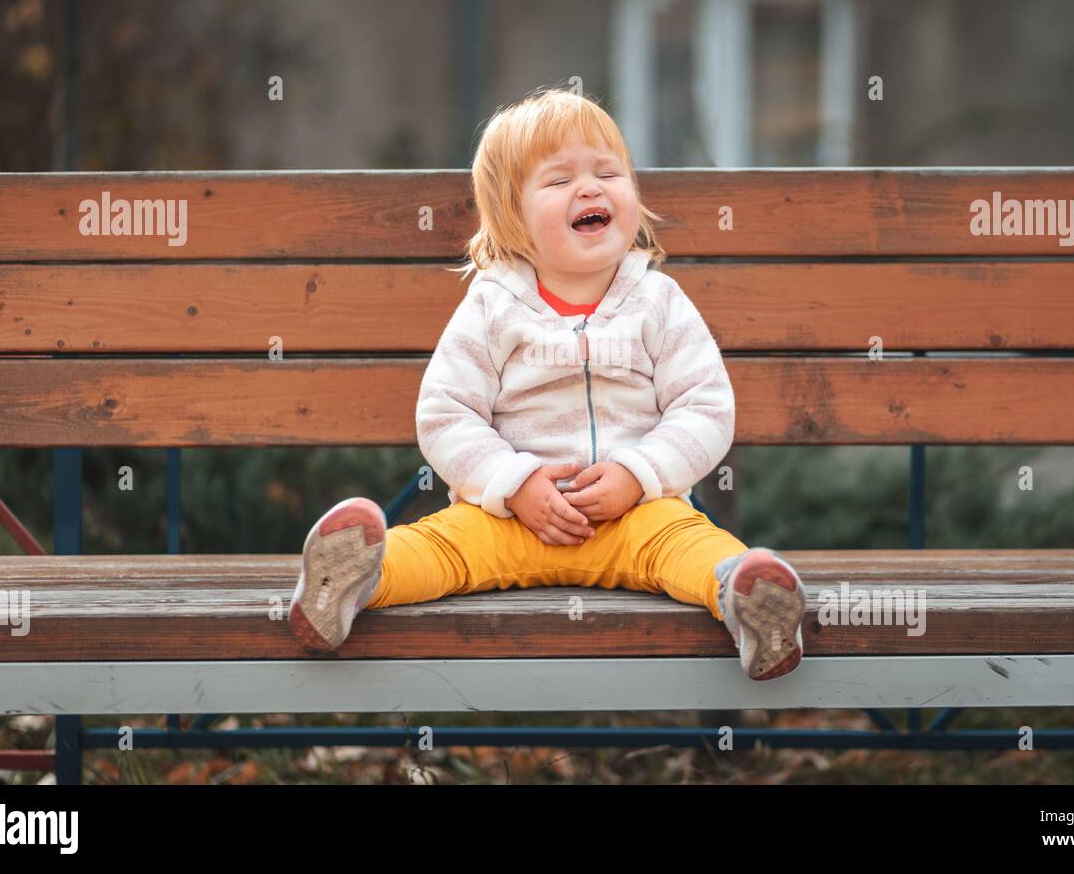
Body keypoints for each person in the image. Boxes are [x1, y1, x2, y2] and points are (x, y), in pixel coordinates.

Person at [289, 86, 806, 680]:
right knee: (441, 549)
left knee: (695, 548)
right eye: (560, 181)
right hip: (507, 520)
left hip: (638, 518)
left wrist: (638, 476)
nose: (590, 188)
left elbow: (705, 406)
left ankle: (748, 604)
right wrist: (514, 483)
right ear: (513, 215)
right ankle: (351, 582)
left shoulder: (657, 300)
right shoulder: (492, 307)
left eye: (607, 172)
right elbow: (445, 412)